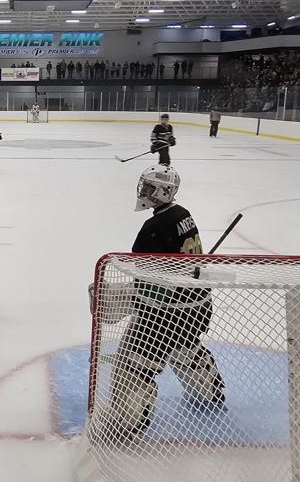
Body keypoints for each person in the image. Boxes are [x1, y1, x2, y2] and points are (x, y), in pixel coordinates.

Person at [93, 165, 225, 441]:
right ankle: (208, 392)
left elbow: (146, 275)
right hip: (197, 305)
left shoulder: (154, 226)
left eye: (149, 188)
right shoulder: (182, 214)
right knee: (185, 348)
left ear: (164, 192)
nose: (143, 192)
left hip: (166, 313)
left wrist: (129, 299)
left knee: (136, 366)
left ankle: (128, 425)